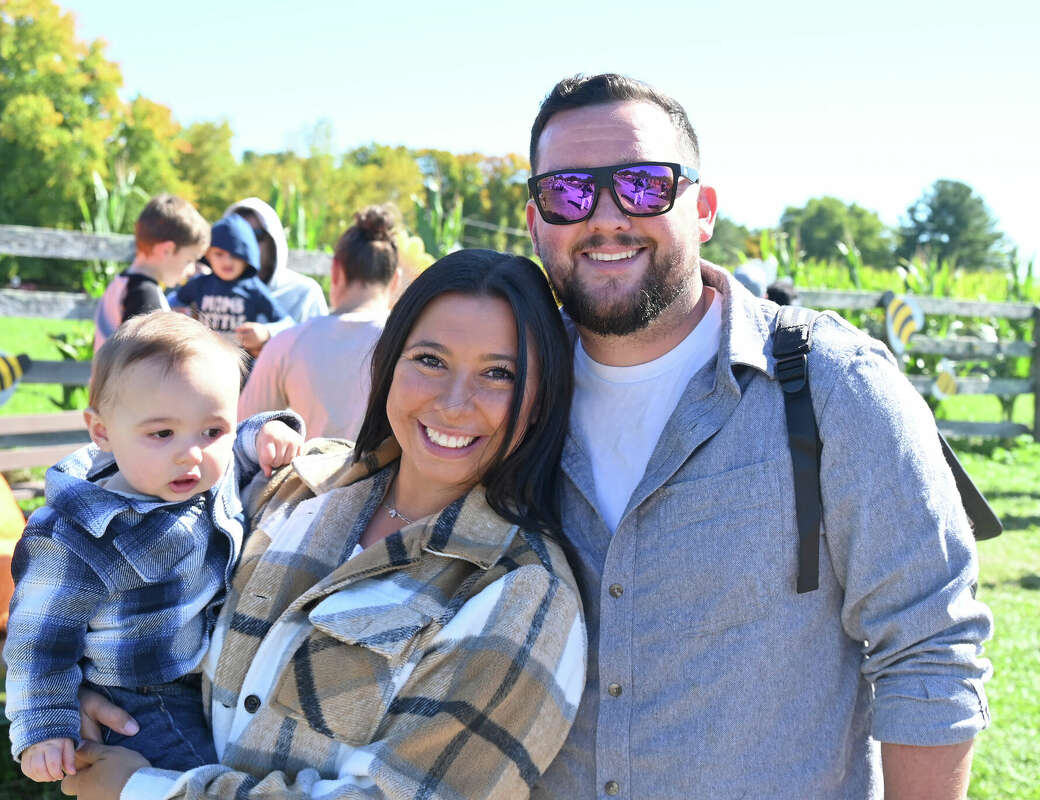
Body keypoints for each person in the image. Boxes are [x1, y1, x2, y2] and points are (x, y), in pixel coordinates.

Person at [523, 73, 992, 800]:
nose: (607, 216)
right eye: (569, 192)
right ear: (535, 222)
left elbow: (930, 648)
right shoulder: (508, 395)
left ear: (703, 208)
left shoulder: (835, 386)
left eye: (646, 185)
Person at [60, 249, 587, 800]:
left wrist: (145, 790)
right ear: (387, 361)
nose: (455, 402)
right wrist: (90, 690)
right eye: (430, 360)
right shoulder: (291, 484)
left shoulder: (524, 597)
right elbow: (134, 589)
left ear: (540, 395)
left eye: (499, 373)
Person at [5, 312, 304, 783]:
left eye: (211, 430)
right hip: (137, 691)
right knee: (194, 779)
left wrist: (266, 433)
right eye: (162, 433)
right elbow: (39, 641)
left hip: (201, 667)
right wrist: (42, 726)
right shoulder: (78, 537)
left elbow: (237, 450)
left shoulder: (195, 473)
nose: (192, 452)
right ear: (102, 432)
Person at [236, 204, 402, 439]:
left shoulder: (288, 343)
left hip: (307, 473)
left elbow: (245, 429)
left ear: (335, 272)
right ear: (395, 280)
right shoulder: (408, 344)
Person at [93, 195, 210, 351]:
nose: (191, 271)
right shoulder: (144, 296)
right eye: (189, 260)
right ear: (166, 250)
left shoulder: (123, 283)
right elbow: (150, 362)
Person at [225, 198, 329, 354]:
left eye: (255, 236)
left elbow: (320, 351)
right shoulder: (206, 288)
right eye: (235, 236)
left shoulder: (305, 292)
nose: (244, 245)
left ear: (273, 242)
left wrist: (268, 336)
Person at [168, 215, 287, 343]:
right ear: (207, 255)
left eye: (236, 255)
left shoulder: (254, 289)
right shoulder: (198, 284)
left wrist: (266, 332)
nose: (227, 261)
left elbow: (287, 323)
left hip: (239, 359)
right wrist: (176, 313)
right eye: (219, 254)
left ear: (248, 257)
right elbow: (168, 304)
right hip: (201, 356)